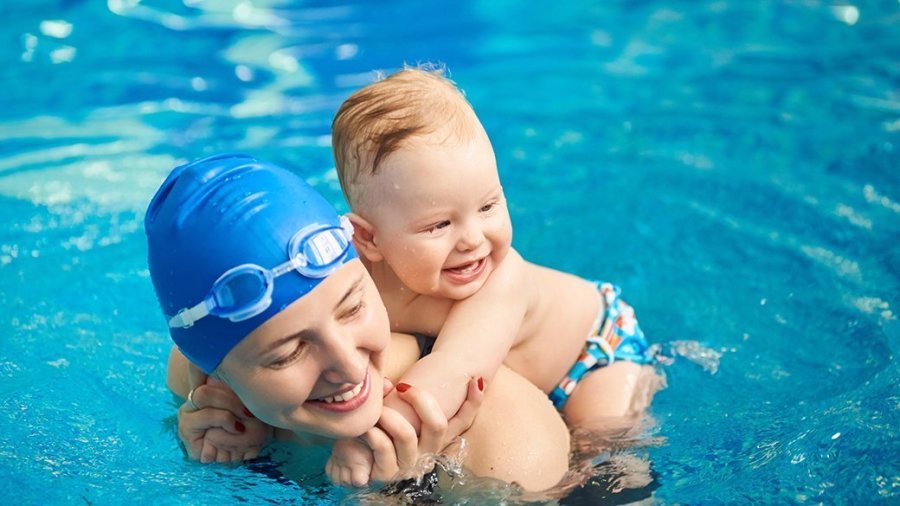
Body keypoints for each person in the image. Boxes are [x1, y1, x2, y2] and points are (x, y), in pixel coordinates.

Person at [146, 153, 570, 491]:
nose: (349, 367)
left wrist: (401, 493)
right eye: (288, 353)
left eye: (352, 308)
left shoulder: (505, 449)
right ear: (216, 370)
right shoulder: (198, 388)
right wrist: (218, 458)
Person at [325, 67, 663, 478]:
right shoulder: (350, 272)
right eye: (438, 225)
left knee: (607, 463)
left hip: (593, 354)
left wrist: (368, 442)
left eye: (488, 206)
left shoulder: (503, 281)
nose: (473, 238)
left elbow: (450, 373)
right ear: (368, 239)